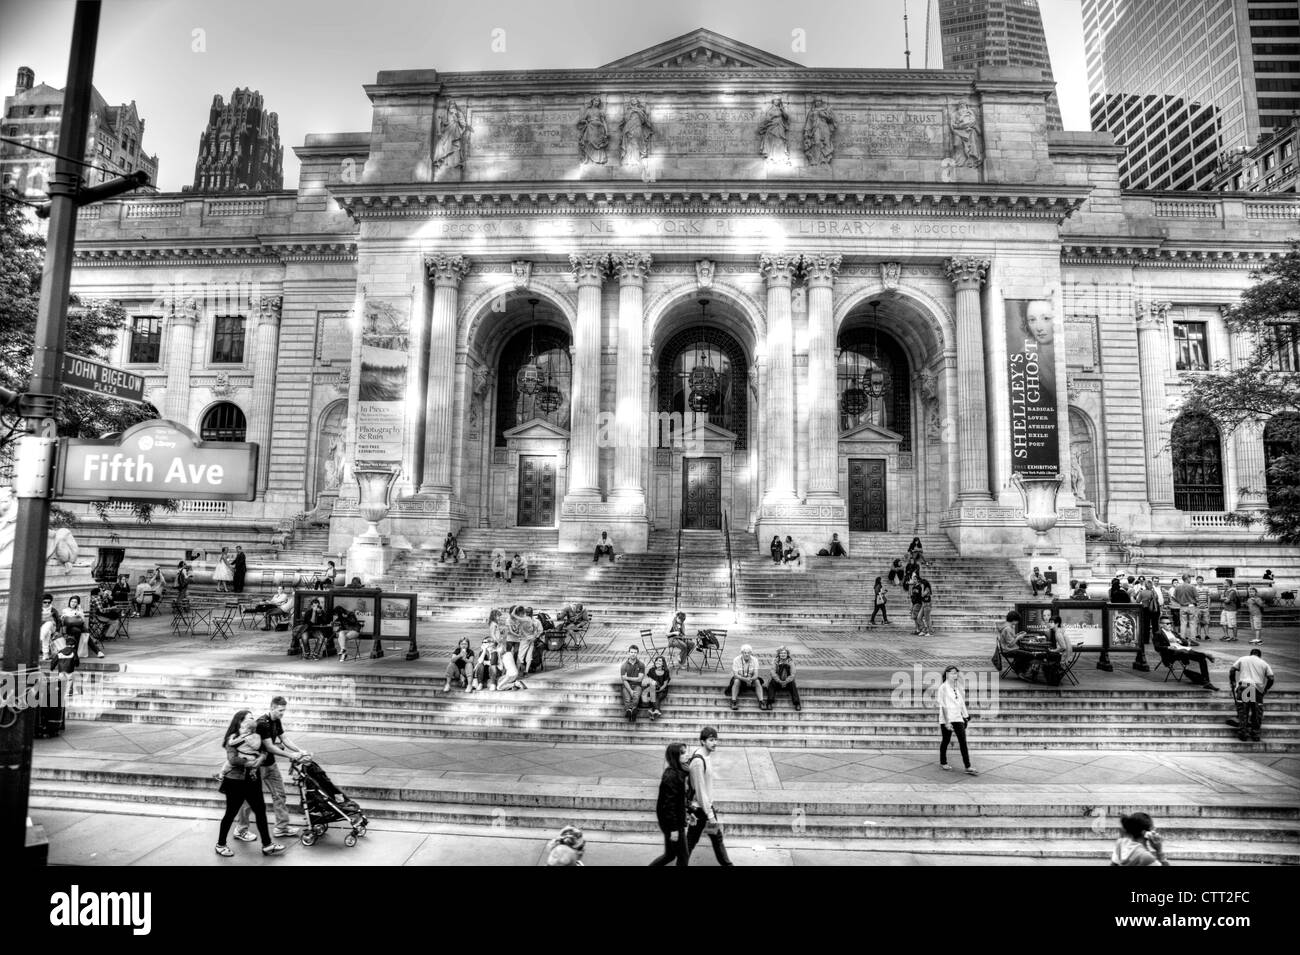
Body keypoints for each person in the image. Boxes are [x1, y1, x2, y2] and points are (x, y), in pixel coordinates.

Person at [232, 696, 306, 842]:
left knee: (280, 794)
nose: (282, 713)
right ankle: (240, 829)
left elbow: (284, 738)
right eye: (280, 710)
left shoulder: (276, 720)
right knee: (249, 799)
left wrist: (300, 751)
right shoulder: (262, 723)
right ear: (272, 707)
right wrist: (291, 755)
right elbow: (270, 747)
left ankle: (281, 827)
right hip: (257, 767)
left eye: (284, 710)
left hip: (270, 765)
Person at [215, 709, 285, 857]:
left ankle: (267, 845)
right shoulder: (232, 738)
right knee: (231, 813)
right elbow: (233, 760)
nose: (251, 720)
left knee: (260, 811)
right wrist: (251, 763)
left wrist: (260, 759)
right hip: (236, 781)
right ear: (239, 722)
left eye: (252, 718)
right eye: (248, 718)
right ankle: (220, 844)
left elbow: (264, 751)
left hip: (252, 779)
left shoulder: (255, 736)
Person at [686, 726, 733, 865]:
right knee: (692, 842)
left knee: (714, 840)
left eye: (716, 740)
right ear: (702, 741)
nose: (715, 743)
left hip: (705, 807)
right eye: (711, 740)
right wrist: (710, 815)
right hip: (700, 810)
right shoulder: (698, 762)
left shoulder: (705, 756)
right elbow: (700, 791)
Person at [648, 742, 691, 866]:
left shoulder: (678, 772)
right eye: (682, 753)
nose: (686, 754)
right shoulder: (671, 776)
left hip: (672, 821)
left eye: (686, 751)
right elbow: (669, 806)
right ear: (674, 756)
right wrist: (673, 830)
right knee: (683, 856)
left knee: (670, 855)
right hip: (672, 823)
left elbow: (679, 800)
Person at [1152, 615, 1218, 690]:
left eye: (1170, 623)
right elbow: (1157, 648)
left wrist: (1178, 640)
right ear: (1161, 625)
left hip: (1183, 651)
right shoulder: (1158, 634)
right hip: (1171, 654)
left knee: (1201, 659)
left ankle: (1207, 682)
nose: (1169, 625)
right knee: (1184, 651)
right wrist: (1168, 647)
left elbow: (1185, 642)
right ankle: (1205, 654)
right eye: (1167, 623)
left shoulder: (1174, 633)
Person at [1228, 648, 1275, 743]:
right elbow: (1271, 678)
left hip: (1245, 687)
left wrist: (1233, 681)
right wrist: (1265, 689)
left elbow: (1232, 670)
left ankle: (1243, 733)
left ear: (1251, 654)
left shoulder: (1243, 659)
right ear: (1260, 655)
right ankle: (1255, 733)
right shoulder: (1264, 663)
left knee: (1244, 711)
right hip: (1256, 688)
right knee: (1256, 711)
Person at [938, 665, 978, 775]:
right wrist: (947, 722)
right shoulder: (943, 688)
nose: (955, 675)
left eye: (956, 673)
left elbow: (961, 703)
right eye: (952, 673)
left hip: (958, 718)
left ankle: (968, 766)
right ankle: (943, 762)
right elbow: (943, 706)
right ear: (947, 674)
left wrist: (966, 716)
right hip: (947, 718)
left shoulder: (957, 687)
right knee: (946, 740)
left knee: (963, 742)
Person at [727, 644, 765, 711]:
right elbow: (735, 675)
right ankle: (733, 701)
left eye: (748, 653)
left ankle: (761, 701)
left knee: (757, 681)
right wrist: (744, 679)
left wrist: (750, 679)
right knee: (736, 681)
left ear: (751, 653)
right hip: (740, 678)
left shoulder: (755, 660)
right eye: (745, 653)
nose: (747, 654)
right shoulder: (736, 659)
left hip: (751, 678)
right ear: (742, 653)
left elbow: (756, 675)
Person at [765, 646, 801, 711]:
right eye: (781, 653)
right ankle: (769, 702)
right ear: (779, 654)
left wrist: (786, 681)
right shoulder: (775, 661)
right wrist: (779, 681)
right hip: (778, 681)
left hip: (787, 682)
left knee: (793, 684)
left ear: (787, 654)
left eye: (784, 653)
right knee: (772, 683)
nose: (783, 654)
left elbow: (792, 674)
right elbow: (772, 672)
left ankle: (797, 703)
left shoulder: (790, 662)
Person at [619, 645, 648, 722]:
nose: (633, 654)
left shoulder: (641, 665)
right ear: (628, 653)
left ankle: (629, 711)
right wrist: (630, 691)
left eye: (635, 652)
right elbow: (624, 681)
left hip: (637, 685)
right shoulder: (624, 666)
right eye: (631, 652)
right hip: (626, 686)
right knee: (627, 699)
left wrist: (627, 678)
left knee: (636, 698)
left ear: (637, 653)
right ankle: (632, 713)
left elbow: (640, 679)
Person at [645, 655, 671, 721]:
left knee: (656, 697)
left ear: (663, 663)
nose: (657, 662)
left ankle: (653, 713)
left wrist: (659, 690)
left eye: (660, 661)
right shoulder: (651, 670)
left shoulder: (666, 671)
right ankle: (657, 711)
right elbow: (649, 680)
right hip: (652, 689)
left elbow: (665, 684)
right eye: (656, 660)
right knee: (653, 695)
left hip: (662, 690)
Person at [1173, 574, 1199, 641]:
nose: (1190, 580)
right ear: (1187, 579)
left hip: (1182, 606)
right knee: (1192, 623)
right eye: (1190, 578)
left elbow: (1173, 597)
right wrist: (1195, 602)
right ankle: (1193, 639)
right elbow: (1197, 598)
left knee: (1183, 623)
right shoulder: (1192, 587)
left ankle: (1182, 638)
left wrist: (1180, 602)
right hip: (1191, 606)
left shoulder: (1178, 587)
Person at [1195, 575, 1212, 642]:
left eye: (1201, 580)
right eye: (1198, 580)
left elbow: (1209, 597)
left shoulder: (1206, 588)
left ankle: (1206, 635)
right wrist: (1196, 606)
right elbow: (1194, 598)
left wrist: (1208, 606)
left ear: (1203, 581)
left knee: (1206, 622)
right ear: (1196, 581)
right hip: (1198, 608)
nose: (1200, 581)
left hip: (1205, 608)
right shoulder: (1195, 588)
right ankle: (1198, 635)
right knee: (1198, 622)